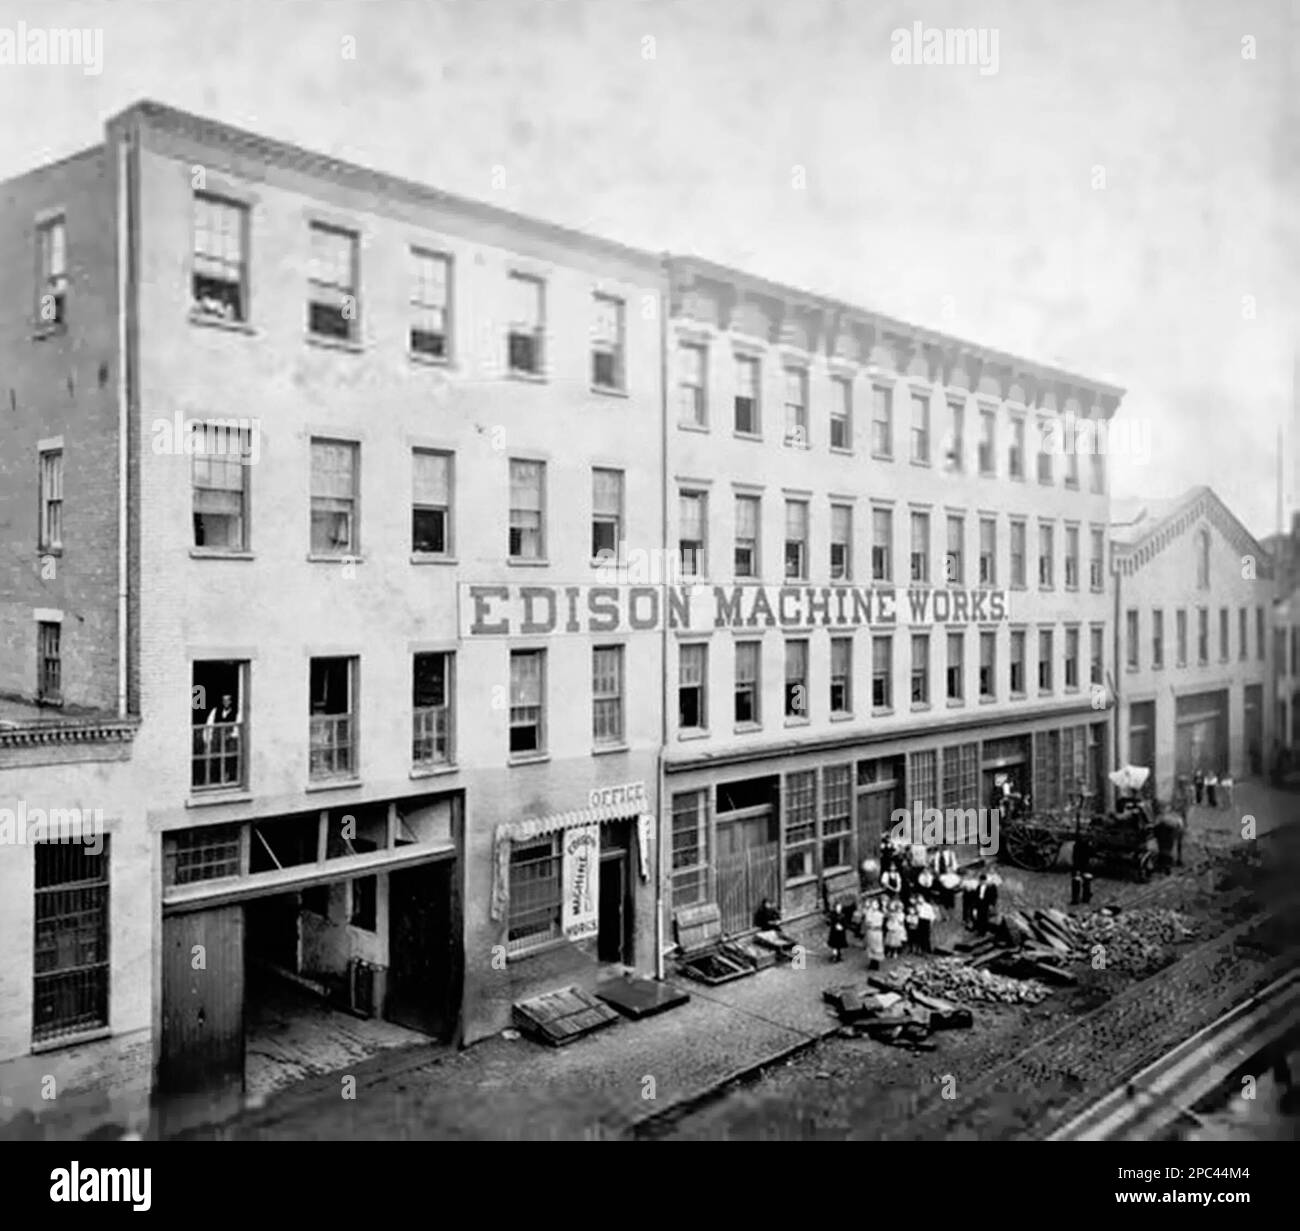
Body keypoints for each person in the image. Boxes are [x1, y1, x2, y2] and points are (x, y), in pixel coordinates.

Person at [204, 691, 241, 784]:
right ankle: (214, 780)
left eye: (228, 700)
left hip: (230, 741)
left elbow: (238, 728)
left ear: (231, 701)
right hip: (217, 741)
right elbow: (209, 726)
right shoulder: (215, 711)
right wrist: (207, 741)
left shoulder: (237, 712)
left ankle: (229, 779)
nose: (226, 702)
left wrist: (231, 735)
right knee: (215, 760)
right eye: (224, 700)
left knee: (230, 760)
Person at [1071, 831, 1094, 904]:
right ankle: (1083, 898)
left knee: (1078, 879)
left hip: (1080, 865)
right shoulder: (1087, 846)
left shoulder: (1077, 846)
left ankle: (1077, 898)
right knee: (1083, 878)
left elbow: (1075, 857)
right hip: (1083, 865)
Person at [863, 899, 886, 970]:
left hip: (877, 933)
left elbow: (880, 924)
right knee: (871, 946)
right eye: (872, 904)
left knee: (877, 947)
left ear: (878, 905)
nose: (874, 906)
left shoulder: (880, 914)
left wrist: (873, 925)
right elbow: (867, 922)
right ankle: (872, 962)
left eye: (875, 904)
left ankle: (876, 964)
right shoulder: (868, 913)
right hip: (870, 932)